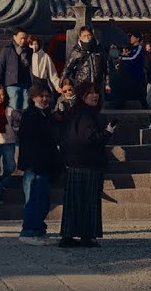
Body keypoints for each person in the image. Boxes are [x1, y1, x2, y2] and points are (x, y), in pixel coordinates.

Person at [58, 81, 118, 249]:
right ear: (83, 95)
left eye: (96, 93)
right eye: (90, 93)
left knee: (73, 203)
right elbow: (90, 138)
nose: (95, 96)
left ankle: (68, 235)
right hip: (88, 162)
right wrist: (108, 132)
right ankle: (87, 235)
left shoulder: (74, 112)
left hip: (74, 162)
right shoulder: (87, 114)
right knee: (89, 202)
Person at [17, 80, 60, 245]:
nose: (44, 99)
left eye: (46, 96)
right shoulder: (30, 115)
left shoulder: (46, 114)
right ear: (33, 98)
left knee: (42, 199)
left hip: (45, 163)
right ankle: (29, 231)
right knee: (34, 199)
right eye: (41, 96)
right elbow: (28, 142)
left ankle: (38, 229)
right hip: (34, 164)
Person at [0, 28, 33, 112]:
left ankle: (23, 124)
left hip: (26, 83)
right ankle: (13, 124)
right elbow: (0, 67)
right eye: (21, 38)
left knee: (26, 106)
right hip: (12, 83)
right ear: (14, 37)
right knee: (14, 105)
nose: (23, 40)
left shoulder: (28, 50)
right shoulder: (7, 49)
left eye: (24, 38)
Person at [63, 27, 109, 95]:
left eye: (89, 35)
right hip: (82, 84)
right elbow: (68, 68)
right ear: (80, 37)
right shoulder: (76, 51)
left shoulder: (99, 49)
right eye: (84, 36)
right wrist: (63, 83)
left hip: (98, 85)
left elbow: (106, 68)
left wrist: (107, 83)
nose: (87, 37)